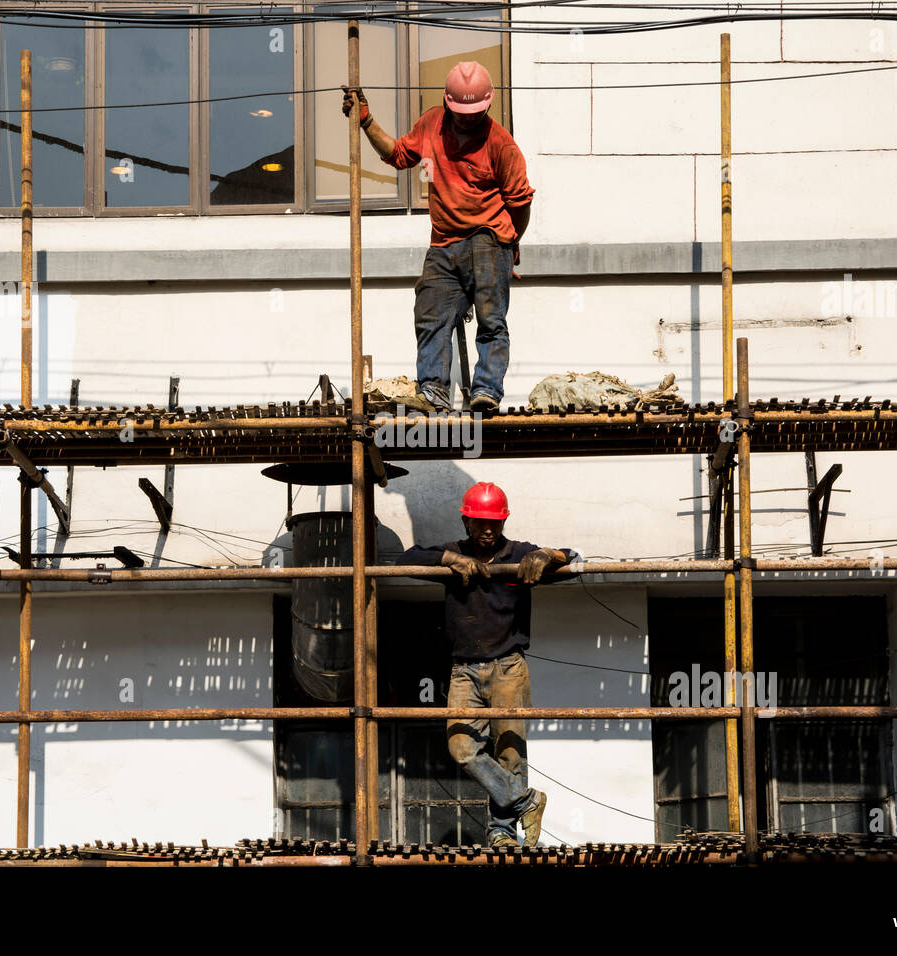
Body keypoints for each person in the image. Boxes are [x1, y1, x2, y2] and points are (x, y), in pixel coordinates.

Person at [342, 61, 534, 413]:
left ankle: (486, 390)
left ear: (488, 105)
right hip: (444, 244)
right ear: (447, 102)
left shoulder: (501, 144)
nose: (468, 119)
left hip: (488, 239)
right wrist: (366, 121)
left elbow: (520, 203)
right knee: (430, 312)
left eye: (475, 113)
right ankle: (433, 391)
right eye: (461, 112)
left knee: (491, 320)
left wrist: (510, 243)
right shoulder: (431, 124)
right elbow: (398, 154)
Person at [395, 481, 579, 847]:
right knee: (462, 748)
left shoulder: (520, 553)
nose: (487, 530)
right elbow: (404, 561)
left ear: (504, 522)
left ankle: (502, 833)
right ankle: (525, 801)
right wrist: (450, 561)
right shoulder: (454, 551)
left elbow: (575, 557)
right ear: (466, 521)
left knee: (510, 753)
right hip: (463, 670)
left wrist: (547, 555)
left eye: (494, 523)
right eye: (479, 522)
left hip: (509, 667)